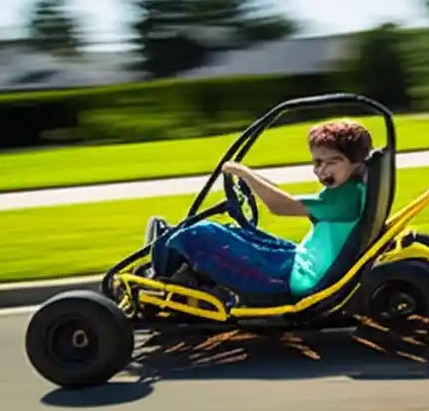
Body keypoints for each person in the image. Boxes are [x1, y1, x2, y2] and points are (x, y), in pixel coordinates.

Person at [146, 119, 372, 299]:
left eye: (332, 162)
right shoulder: (350, 190)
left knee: (200, 233)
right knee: (235, 232)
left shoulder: (343, 199)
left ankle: (163, 268)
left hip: (299, 277)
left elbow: (281, 206)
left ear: (356, 162)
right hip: (303, 262)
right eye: (317, 163)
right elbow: (287, 198)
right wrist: (251, 177)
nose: (321, 171)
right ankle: (184, 267)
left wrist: (244, 173)